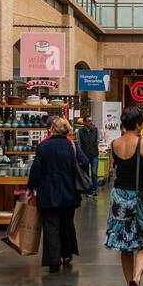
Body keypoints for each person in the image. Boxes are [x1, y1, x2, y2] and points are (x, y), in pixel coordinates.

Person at [104, 106, 143, 286]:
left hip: (119, 196)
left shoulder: (115, 144)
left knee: (125, 245)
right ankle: (137, 278)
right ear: (137, 124)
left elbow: (114, 168)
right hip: (140, 197)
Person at [27, 116, 88, 273]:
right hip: (69, 192)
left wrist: (31, 187)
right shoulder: (71, 145)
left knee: (51, 226)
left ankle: (53, 260)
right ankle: (67, 254)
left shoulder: (43, 146)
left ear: (52, 129)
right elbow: (85, 161)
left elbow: (36, 170)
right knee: (67, 224)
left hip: (48, 192)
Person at [76, 116, 100, 195]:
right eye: (89, 121)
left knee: (94, 173)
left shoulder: (96, 130)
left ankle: (95, 190)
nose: (91, 122)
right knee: (86, 174)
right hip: (85, 156)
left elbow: (97, 141)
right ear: (84, 122)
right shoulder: (80, 132)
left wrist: (95, 149)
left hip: (94, 155)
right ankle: (87, 190)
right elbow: (79, 144)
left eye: (91, 120)